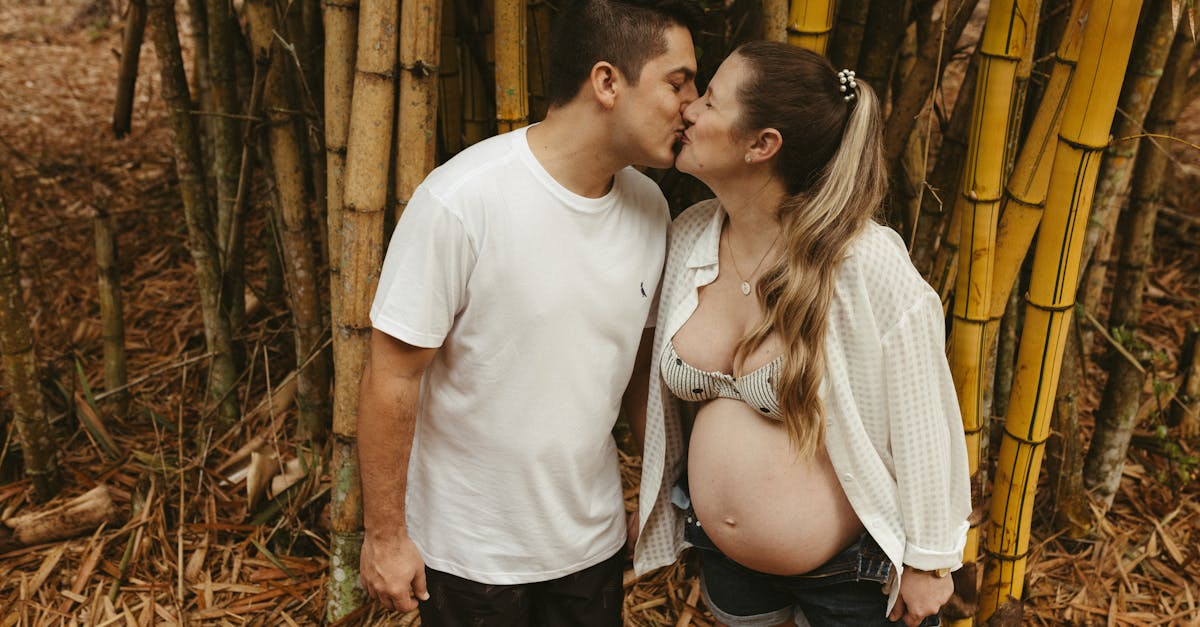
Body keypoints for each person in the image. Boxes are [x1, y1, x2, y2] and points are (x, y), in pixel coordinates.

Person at [355, 0, 698, 624]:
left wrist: (658, 496)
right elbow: (392, 376)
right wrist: (384, 535)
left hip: (590, 546)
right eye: (678, 82)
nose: (694, 106)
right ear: (606, 82)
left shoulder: (652, 208)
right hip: (471, 555)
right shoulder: (462, 201)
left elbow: (639, 372)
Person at [631, 41, 972, 627]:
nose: (689, 109)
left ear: (762, 145)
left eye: (711, 101)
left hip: (854, 577)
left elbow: (924, 417)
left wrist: (930, 563)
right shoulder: (691, 235)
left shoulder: (862, 261)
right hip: (728, 563)